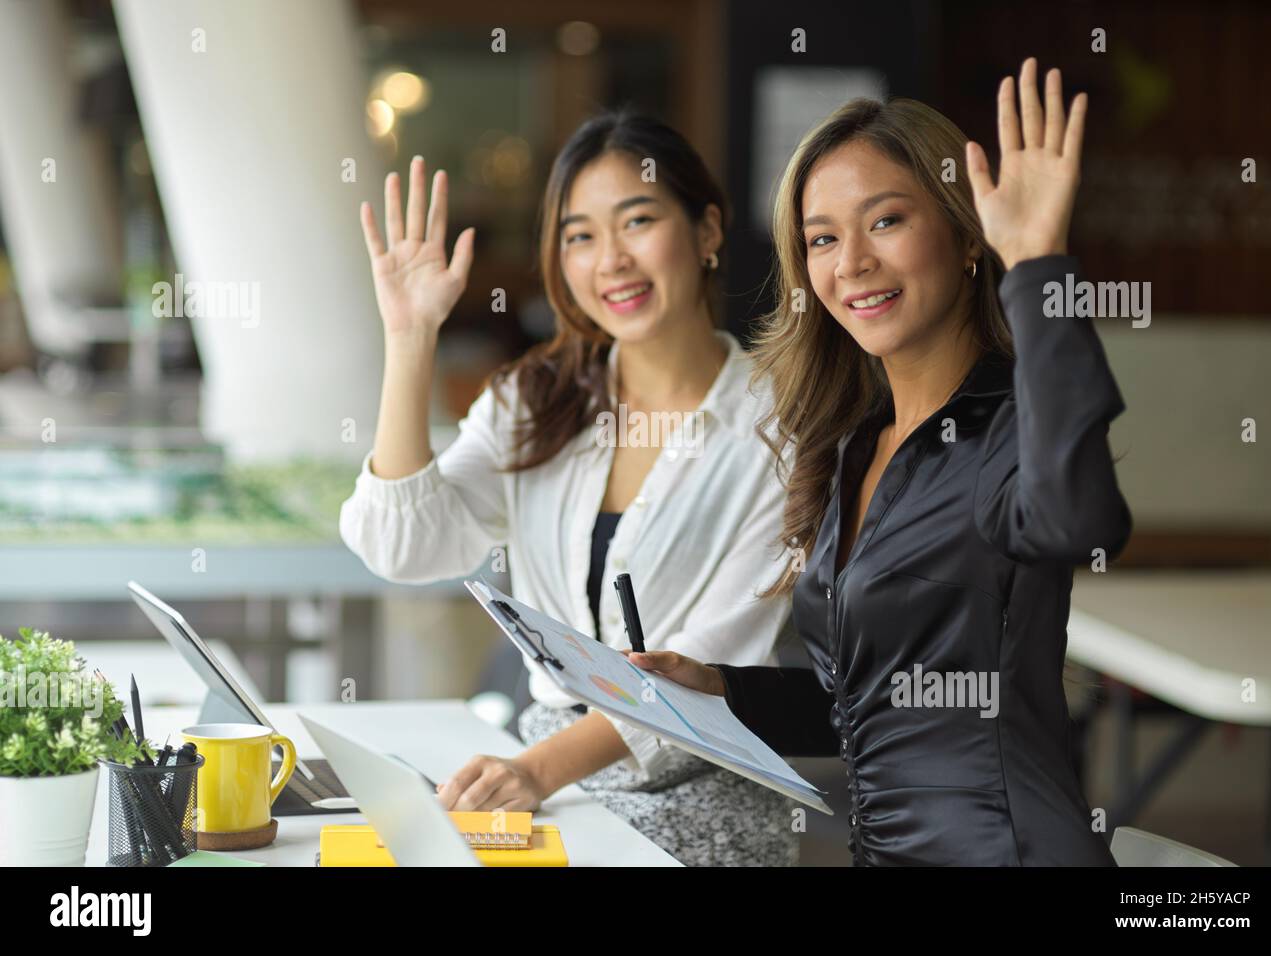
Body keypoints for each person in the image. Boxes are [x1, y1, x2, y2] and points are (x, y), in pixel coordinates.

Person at [628, 59, 1131, 865]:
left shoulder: (1011, 430)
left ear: (967, 235)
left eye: (886, 221)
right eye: (822, 238)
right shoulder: (855, 443)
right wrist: (721, 686)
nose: (850, 262)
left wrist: (1037, 266)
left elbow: (1081, 517)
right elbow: (863, 707)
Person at [339, 109, 799, 866]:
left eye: (638, 220)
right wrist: (410, 336)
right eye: (580, 235)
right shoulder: (536, 400)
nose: (610, 260)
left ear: (707, 231)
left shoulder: (778, 423)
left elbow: (706, 663)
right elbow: (403, 546)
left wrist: (534, 772)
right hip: (550, 778)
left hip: (704, 787)